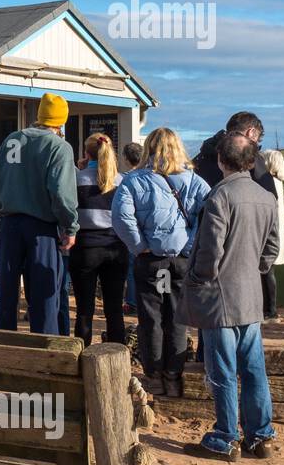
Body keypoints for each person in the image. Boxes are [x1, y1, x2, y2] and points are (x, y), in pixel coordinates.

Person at [183, 132, 280, 461]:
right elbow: (271, 251)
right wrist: (252, 270)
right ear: (252, 162)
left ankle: (226, 436)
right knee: (254, 369)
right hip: (250, 295)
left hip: (218, 296)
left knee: (222, 370)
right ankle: (260, 436)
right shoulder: (267, 197)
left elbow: (210, 250)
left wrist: (198, 277)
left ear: (221, 161)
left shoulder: (219, 196)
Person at [110, 128, 210, 396]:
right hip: (180, 260)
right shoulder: (195, 182)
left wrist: (139, 245)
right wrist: (189, 245)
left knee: (150, 319)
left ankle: (153, 375)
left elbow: (121, 217)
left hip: (150, 260)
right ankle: (174, 375)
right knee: (177, 318)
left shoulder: (133, 181)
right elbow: (210, 215)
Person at [0, 92, 78, 334]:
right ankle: (45, 351)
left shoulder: (12, 139)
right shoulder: (59, 147)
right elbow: (61, 193)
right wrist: (70, 227)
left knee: (5, 293)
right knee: (45, 296)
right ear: (60, 122)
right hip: (42, 229)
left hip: (8, 225)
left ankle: (3, 347)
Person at [71, 134, 127, 347]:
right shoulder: (121, 181)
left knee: (84, 311)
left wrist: (80, 169)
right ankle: (117, 355)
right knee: (114, 309)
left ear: (86, 153)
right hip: (115, 246)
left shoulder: (77, 179)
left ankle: (81, 355)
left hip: (85, 246)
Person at [260, 149, 284, 322]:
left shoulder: (268, 181)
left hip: (271, 233)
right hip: (277, 232)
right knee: (269, 273)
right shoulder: (277, 182)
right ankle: (270, 310)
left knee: (267, 273)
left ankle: (271, 311)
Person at [120, 141, 144, 316]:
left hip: (130, 230)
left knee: (130, 268)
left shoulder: (123, 179)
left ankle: (132, 301)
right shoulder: (150, 177)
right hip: (146, 229)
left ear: (126, 159)